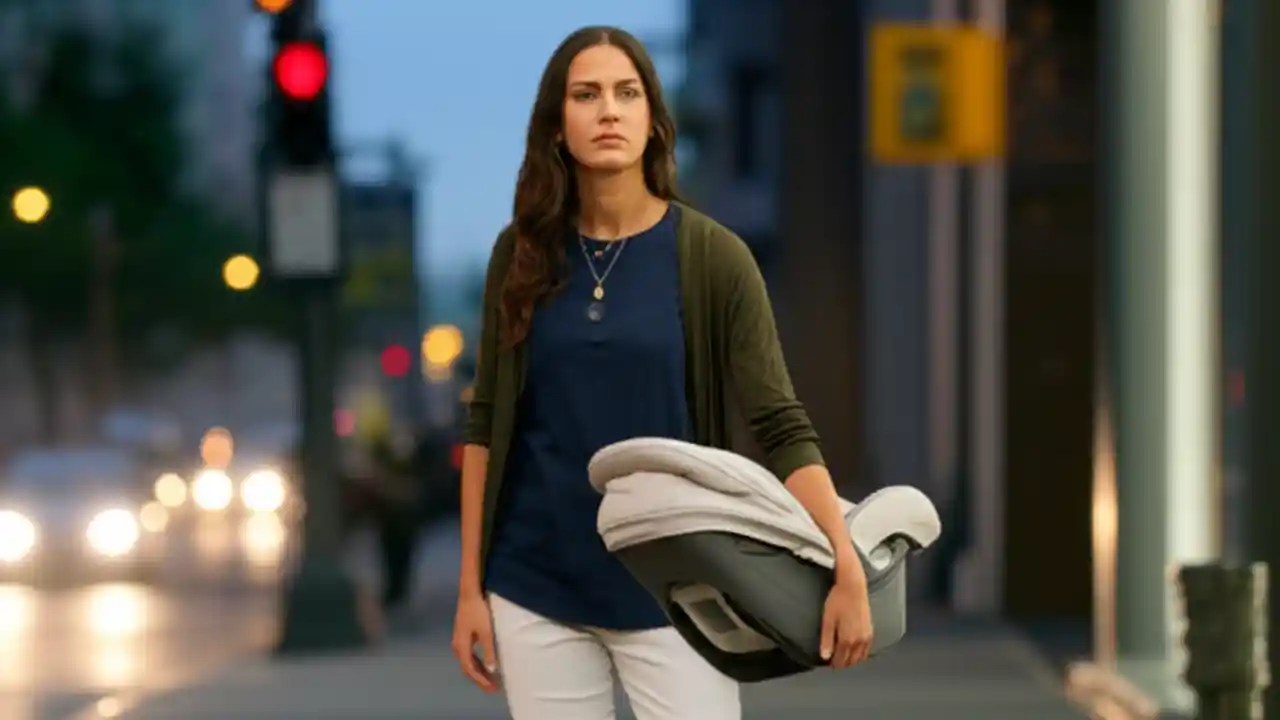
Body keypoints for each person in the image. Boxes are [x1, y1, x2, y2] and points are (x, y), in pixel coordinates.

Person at [451, 25, 874, 720]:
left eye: (627, 93)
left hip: (677, 586)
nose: (609, 111)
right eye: (586, 95)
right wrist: (473, 588)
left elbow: (778, 421)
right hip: (537, 586)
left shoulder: (712, 258)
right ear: (559, 126)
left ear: (653, 121)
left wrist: (845, 561)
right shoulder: (521, 256)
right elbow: (487, 425)